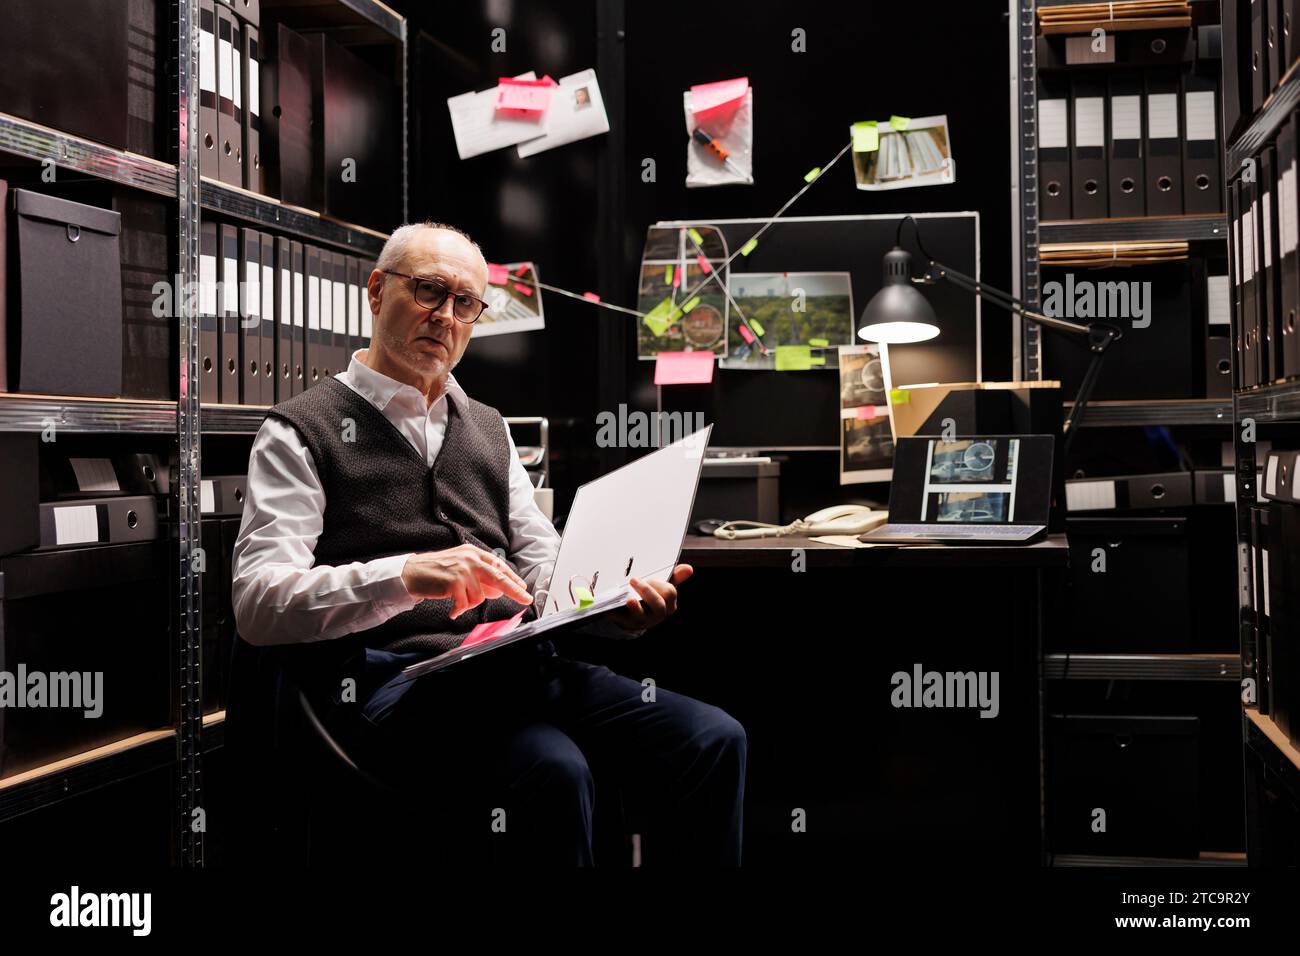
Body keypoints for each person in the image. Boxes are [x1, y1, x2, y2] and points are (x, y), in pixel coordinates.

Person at [231, 221, 746, 865]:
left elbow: (544, 568)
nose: (445, 316)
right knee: (554, 770)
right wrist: (408, 574)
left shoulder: (487, 428)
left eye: (465, 303)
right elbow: (256, 602)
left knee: (711, 739)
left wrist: (615, 605)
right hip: (393, 686)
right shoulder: (298, 431)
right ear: (374, 291)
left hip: (511, 668)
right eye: (426, 291)